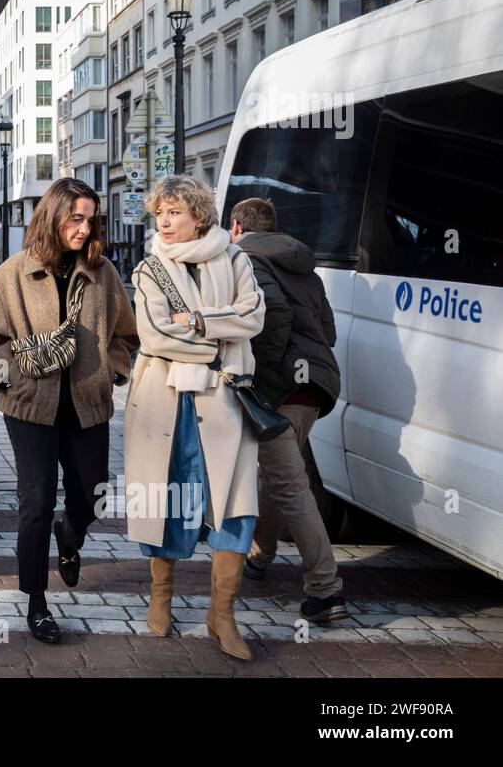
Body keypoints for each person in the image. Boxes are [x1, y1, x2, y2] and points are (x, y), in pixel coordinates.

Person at [0, 178, 139, 644]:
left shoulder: (103, 273)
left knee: (92, 494)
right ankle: (37, 602)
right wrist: (12, 379)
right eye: (75, 218)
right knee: (36, 501)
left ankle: (72, 532)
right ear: (53, 217)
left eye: (90, 219)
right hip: (30, 408)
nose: (84, 229)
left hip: (87, 403)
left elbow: (126, 333)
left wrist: (114, 372)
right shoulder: (13, 274)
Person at [124, 175, 266, 661]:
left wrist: (200, 321)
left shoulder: (236, 258)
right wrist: (221, 336)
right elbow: (155, 336)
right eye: (159, 213)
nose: (163, 222)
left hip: (227, 398)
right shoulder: (149, 269)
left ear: (199, 217)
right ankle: (160, 596)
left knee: (234, 504)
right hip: (167, 400)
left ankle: (221, 615)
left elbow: (254, 318)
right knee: (166, 494)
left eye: (174, 213)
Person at [230, 198, 349, 623]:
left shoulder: (248, 260)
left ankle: (325, 587)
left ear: (238, 226)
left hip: (283, 387)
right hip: (315, 386)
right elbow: (328, 330)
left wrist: (269, 380)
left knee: (291, 485)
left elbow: (274, 317)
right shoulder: (304, 266)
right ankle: (260, 556)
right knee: (285, 474)